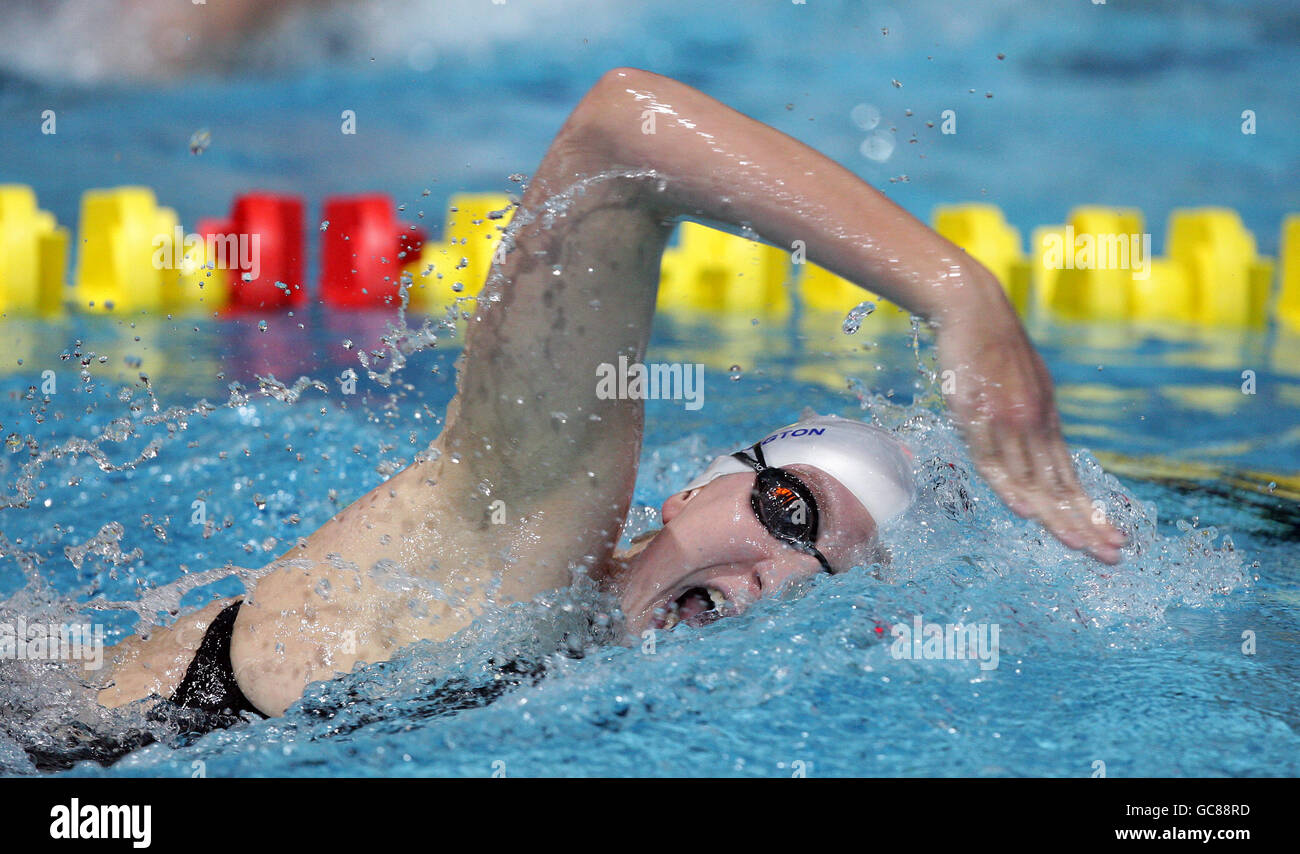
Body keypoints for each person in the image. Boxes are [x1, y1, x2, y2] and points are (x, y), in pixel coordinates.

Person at [94, 67, 1126, 725]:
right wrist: (959, 292)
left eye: (831, 581)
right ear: (684, 493)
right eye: (789, 510)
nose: (779, 579)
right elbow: (622, 135)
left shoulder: (616, 706)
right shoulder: (517, 549)